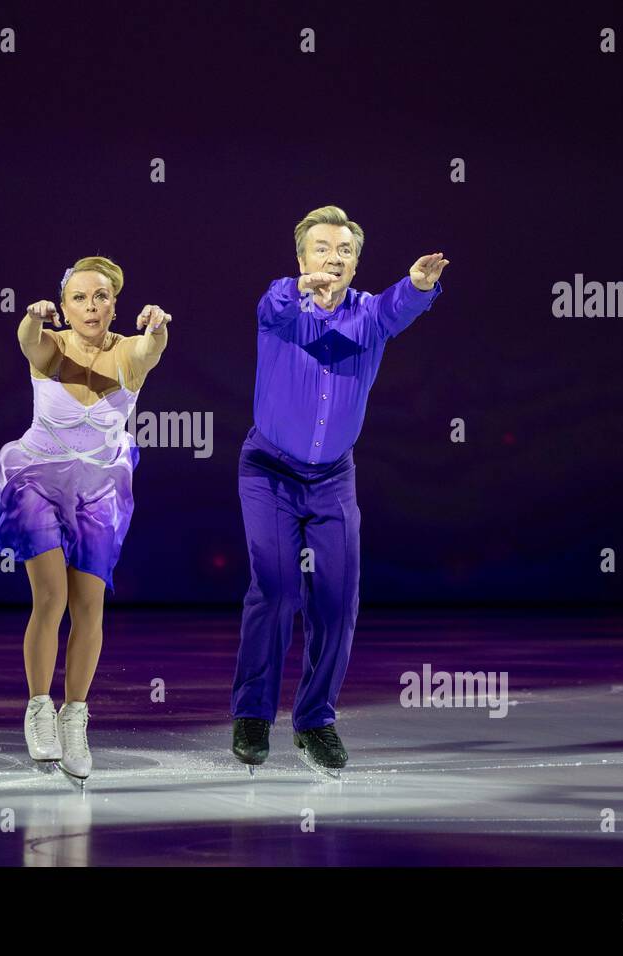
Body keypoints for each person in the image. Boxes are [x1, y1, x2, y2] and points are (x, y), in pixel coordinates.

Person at [231, 205, 449, 773]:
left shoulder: (369, 315)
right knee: (277, 591)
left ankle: (315, 721)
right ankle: (253, 715)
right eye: (323, 248)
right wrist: (294, 287)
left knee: (336, 600)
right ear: (303, 258)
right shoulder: (281, 308)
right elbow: (272, 306)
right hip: (269, 471)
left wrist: (420, 285)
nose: (335, 257)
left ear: (356, 263)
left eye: (346, 250)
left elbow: (395, 308)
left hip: (332, 478)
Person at [0, 256, 172, 784]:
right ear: (65, 307)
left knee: (89, 605)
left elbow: (152, 348)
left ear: (115, 304)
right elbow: (27, 340)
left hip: (99, 489)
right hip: (37, 479)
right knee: (51, 597)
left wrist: (157, 328)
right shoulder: (51, 344)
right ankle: (39, 706)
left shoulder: (129, 352)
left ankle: (75, 717)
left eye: (102, 297)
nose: (92, 306)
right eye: (81, 298)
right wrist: (34, 317)